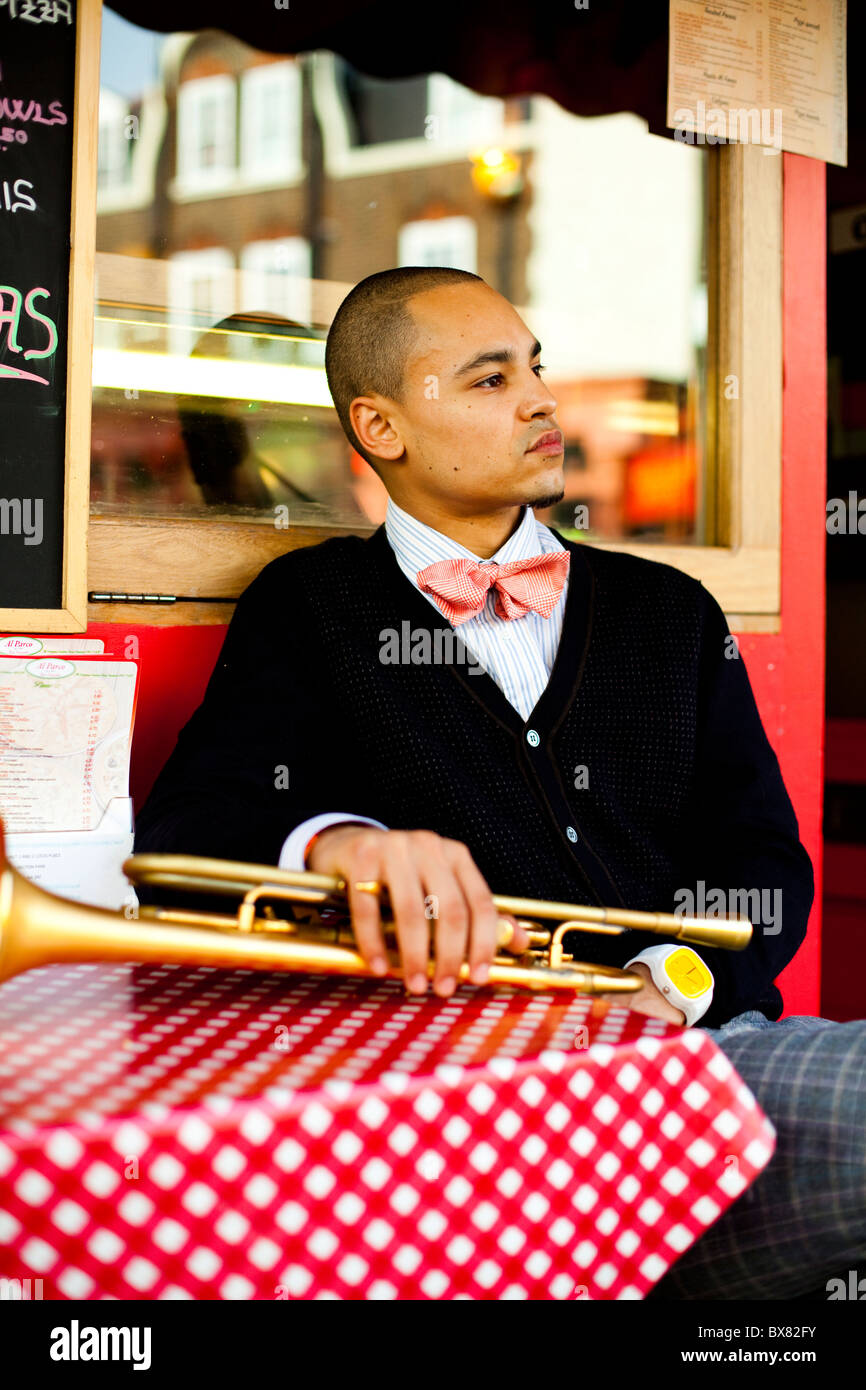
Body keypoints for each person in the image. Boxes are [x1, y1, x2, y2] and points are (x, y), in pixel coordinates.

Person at [134, 266, 865, 1300]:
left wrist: (674, 984)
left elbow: (762, 864)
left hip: (697, 1069)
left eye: (534, 367)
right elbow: (188, 831)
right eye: (488, 380)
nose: (538, 399)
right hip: (442, 1108)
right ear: (379, 426)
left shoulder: (672, 613)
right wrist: (340, 843)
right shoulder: (306, 606)